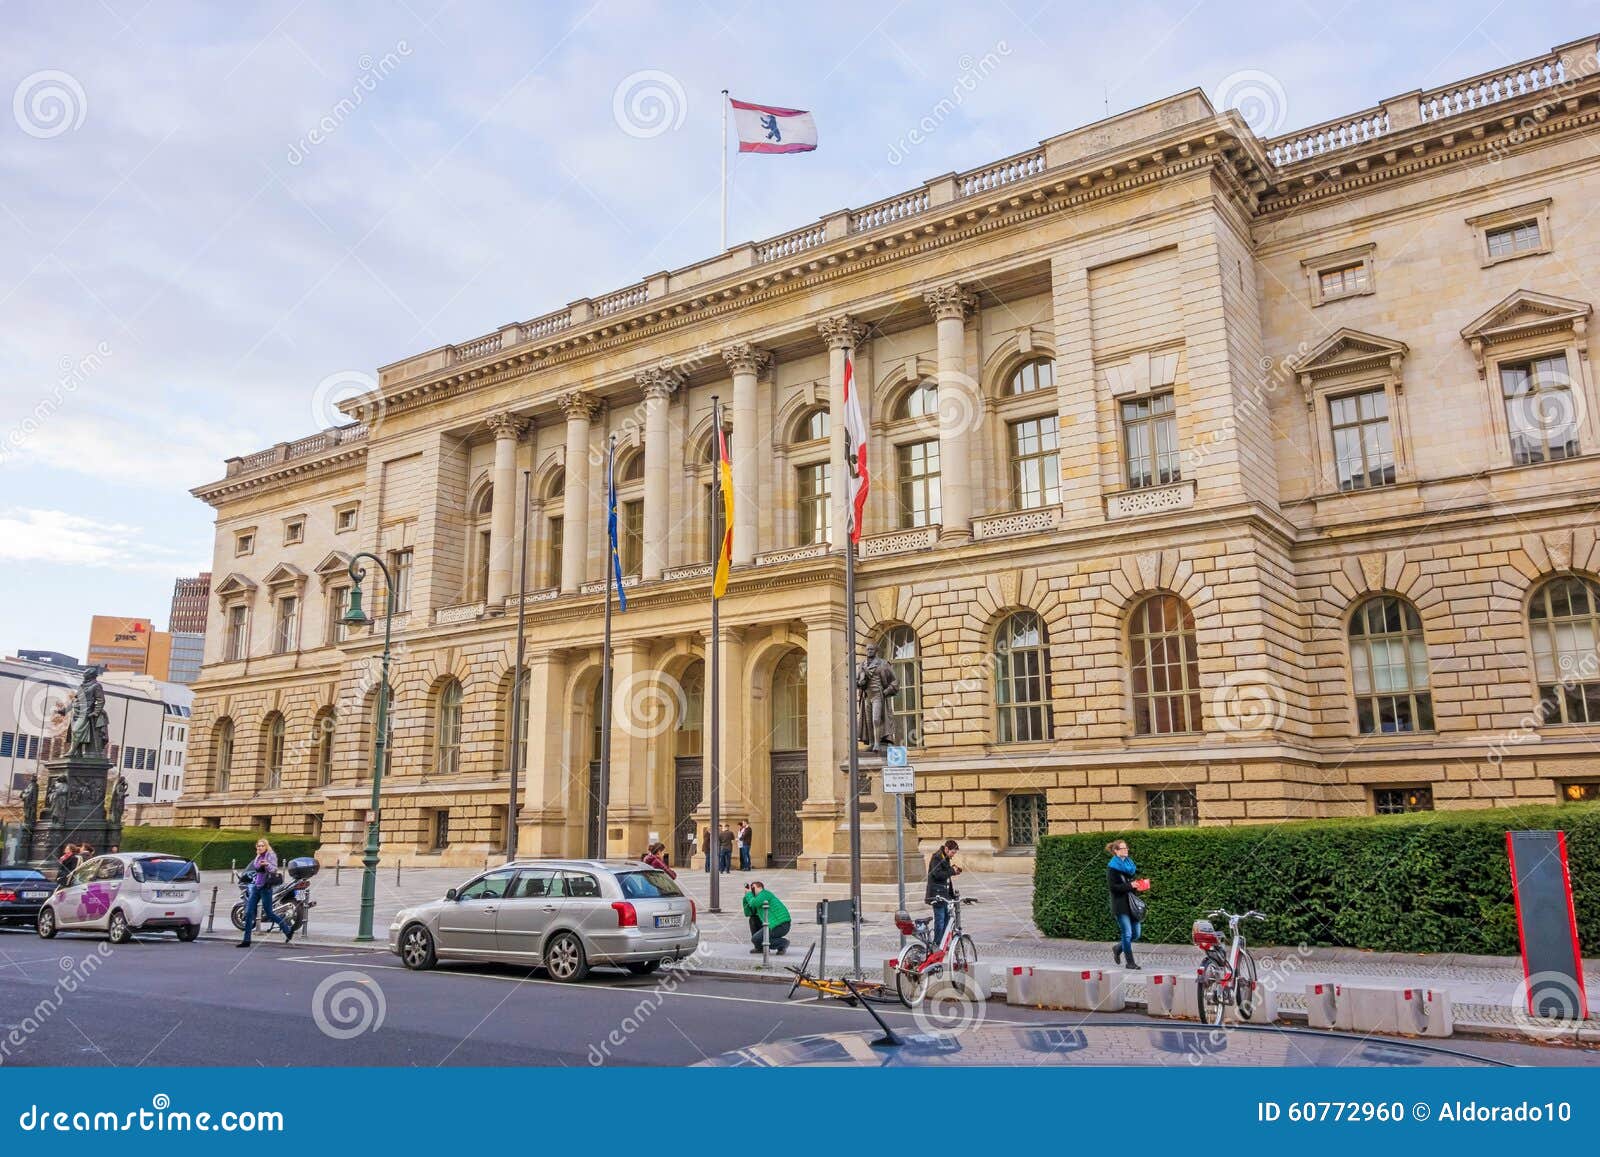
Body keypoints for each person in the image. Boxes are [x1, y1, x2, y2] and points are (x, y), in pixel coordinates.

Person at [239, 837, 295, 947]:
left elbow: (274, 869)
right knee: (249, 912)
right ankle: (246, 940)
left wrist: (267, 864)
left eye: (262, 845)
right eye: (258, 846)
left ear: (266, 846)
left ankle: (287, 930)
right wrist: (259, 863)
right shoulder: (258, 856)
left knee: (269, 913)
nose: (260, 847)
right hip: (256, 886)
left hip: (266, 887)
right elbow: (255, 867)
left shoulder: (271, 855)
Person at [1106, 838, 1150, 971]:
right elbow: (1113, 887)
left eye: (1126, 848)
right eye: (1122, 848)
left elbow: (1130, 884)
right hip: (1120, 905)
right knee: (1127, 933)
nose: (1126, 850)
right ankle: (1130, 962)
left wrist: (1138, 885)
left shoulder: (1129, 865)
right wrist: (1130, 885)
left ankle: (1118, 948)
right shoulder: (1112, 867)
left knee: (1136, 934)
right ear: (1115, 851)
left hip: (1132, 904)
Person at [925, 839, 961, 945]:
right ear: (946, 849)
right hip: (937, 895)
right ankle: (937, 943)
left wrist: (952, 895)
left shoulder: (945, 858)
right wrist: (952, 871)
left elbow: (946, 877)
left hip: (944, 895)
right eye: (952, 852)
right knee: (940, 921)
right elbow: (937, 874)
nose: (953, 855)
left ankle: (943, 944)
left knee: (947, 919)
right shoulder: (936, 857)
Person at [742, 880, 790, 954]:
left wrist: (749, 894)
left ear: (760, 887)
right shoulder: (755, 898)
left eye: (753, 888)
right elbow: (748, 913)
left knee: (756, 939)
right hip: (770, 924)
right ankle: (760, 948)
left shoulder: (765, 894)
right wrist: (746, 897)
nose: (752, 890)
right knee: (753, 919)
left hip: (780, 925)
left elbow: (754, 903)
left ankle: (783, 943)